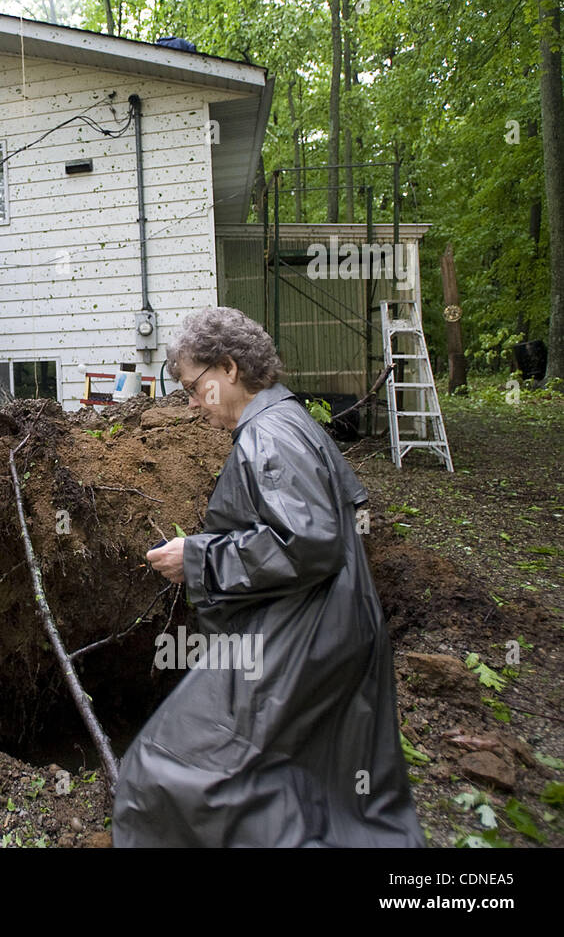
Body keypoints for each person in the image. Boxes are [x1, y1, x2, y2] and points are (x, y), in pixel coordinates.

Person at [118, 306, 425, 847]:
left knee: (166, 769)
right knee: (311, 789)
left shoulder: (271, 435)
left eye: (194, 386)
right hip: (332, 629)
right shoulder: (289, 421)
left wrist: (196, 558)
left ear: (229, 369)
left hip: (298, 641)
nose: (191, 403)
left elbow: (306, 540)